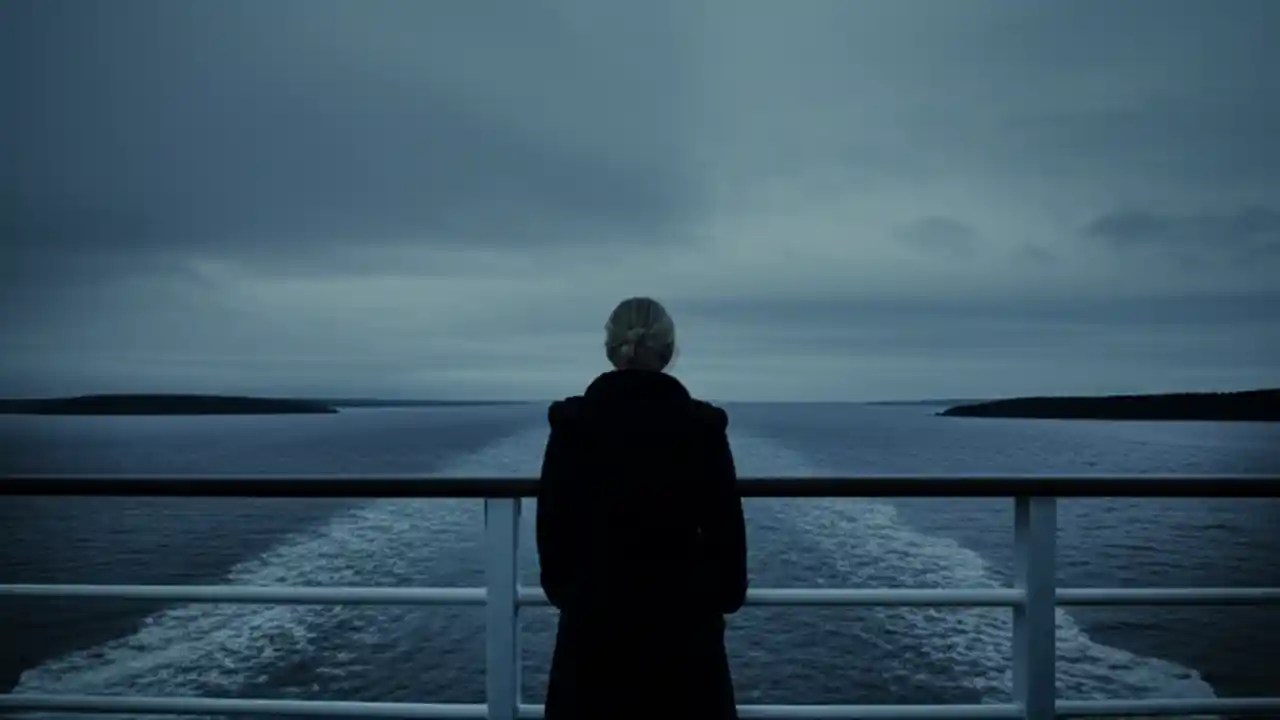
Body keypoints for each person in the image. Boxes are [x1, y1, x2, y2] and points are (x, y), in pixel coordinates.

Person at [536, 297, 748, 720]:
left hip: (590, 648)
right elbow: (728, 560)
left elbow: (553, 547)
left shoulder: (573, 426)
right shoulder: (701, 429)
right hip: (686, 654)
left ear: (612, 348)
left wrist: (582, 597)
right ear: (667, 350)